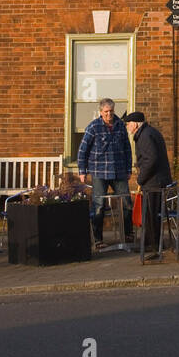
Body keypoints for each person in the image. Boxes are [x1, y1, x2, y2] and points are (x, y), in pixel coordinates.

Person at [77, 98, 133, 247]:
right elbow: (83, 150)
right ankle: (98, 239)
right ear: (101, 112)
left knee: (127, 203)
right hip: (99, 172)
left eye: (111, 111)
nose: (109, 114)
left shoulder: (120, 125)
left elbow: (127, 148)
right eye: (106, 112)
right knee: (98, 205)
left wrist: (129, 169)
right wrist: (82, 171)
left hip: (119, 171)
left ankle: (128, 234)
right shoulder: (93, 127)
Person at [124, 111, 172, 257]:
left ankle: (154, 246)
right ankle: (149, 243)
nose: (127, 127)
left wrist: (141, 179)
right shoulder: (148, 133)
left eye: (128, 124)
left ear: (136, 124)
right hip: (154, 180)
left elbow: (150, 159)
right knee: (149, 214)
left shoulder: (145, 136)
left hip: (153, 181)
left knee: (152, 215)